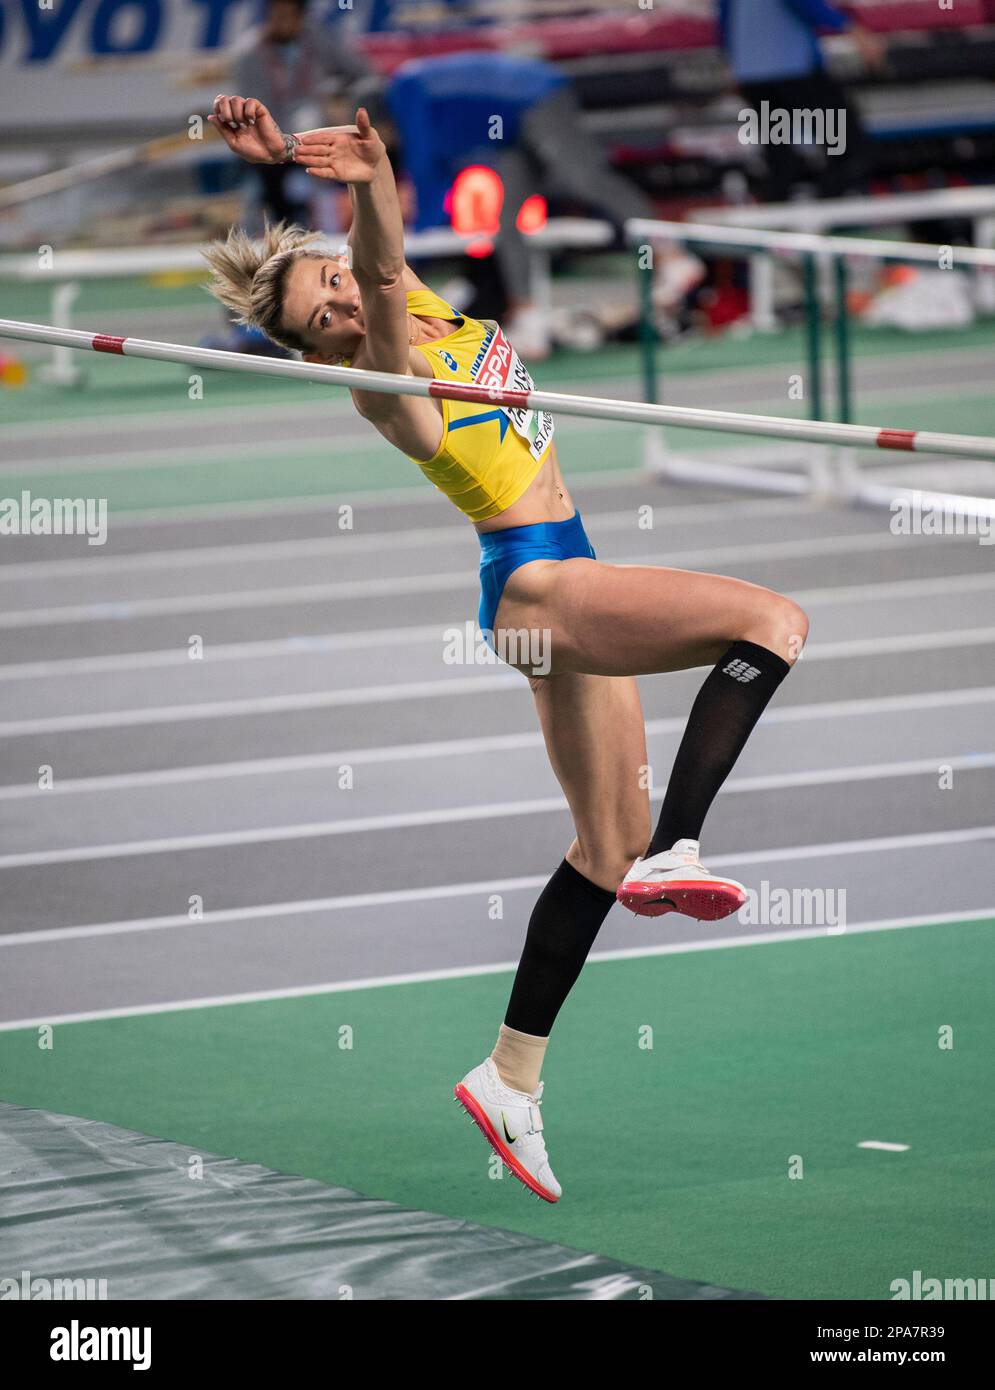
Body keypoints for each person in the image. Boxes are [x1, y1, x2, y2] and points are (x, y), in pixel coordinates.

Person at [203, 94, 809, 1203]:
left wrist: (296, 161)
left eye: (329, 277)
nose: (341, 296)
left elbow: (379, 266)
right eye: (321, 310)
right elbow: (379, 275)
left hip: (555, 569)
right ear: (320, 346)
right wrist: (367, 176)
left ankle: (509, 1075)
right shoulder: (383, 378)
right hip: (536, 578)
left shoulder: (425, 310)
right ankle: (684, 846)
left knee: (600, 849)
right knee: (772, 622)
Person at [386, 51, 704, 358]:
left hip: (535, 95)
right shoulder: (415, 97)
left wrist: (418, 238)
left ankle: (672, 255)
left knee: (582, 178)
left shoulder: (406, 92)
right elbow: (439, 165)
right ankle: (528, 316)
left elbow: (424, 166)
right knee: (506, 219)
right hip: (506, 132)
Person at [718, 0, 886, 201]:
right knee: (847, 149)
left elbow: (726, 17)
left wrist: (733, 61)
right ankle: (833, 207)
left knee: (780, 156)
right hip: (792, 66)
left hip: (753, 73)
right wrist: (851, 29)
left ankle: (779, 209)